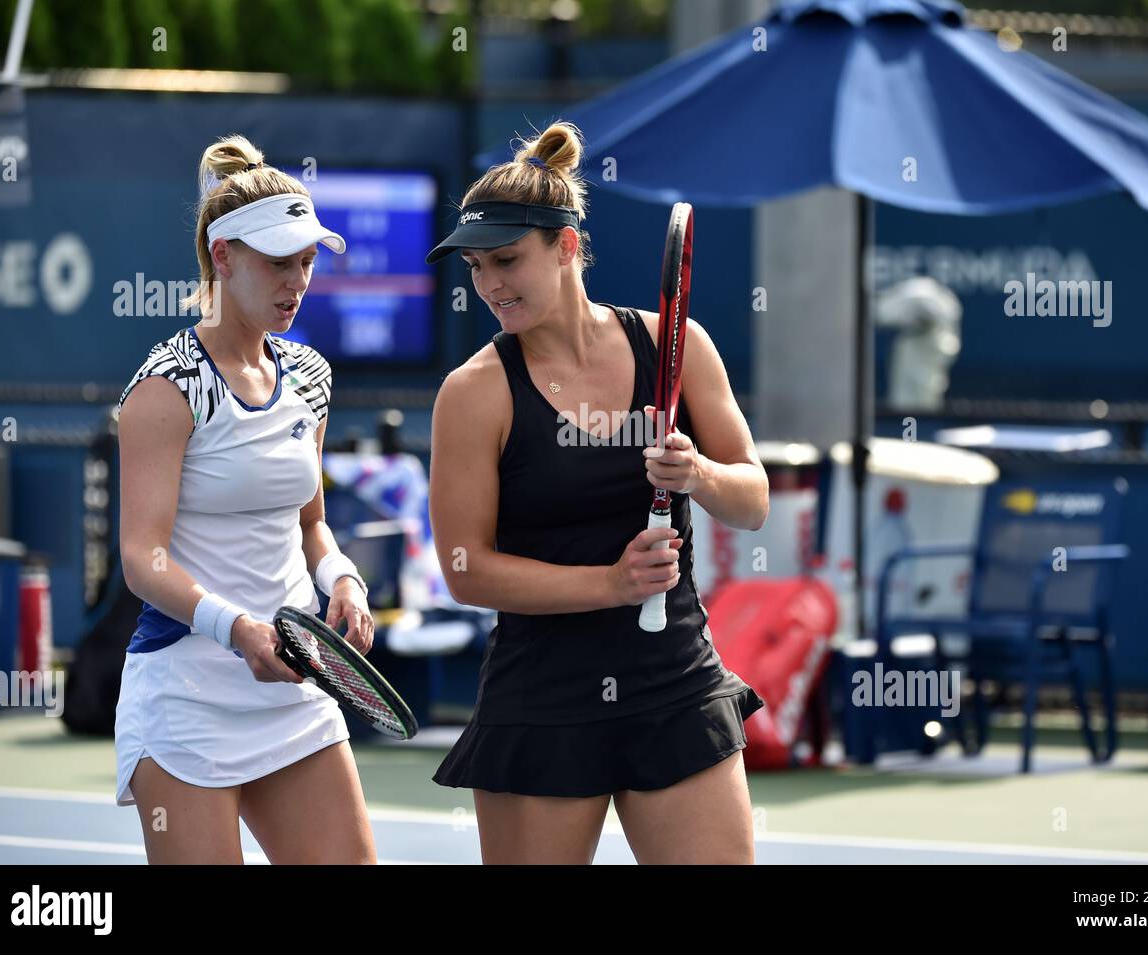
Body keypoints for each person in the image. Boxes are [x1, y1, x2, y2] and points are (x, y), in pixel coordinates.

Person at [426, 121, 771, 864]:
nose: (489, 284)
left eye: (508, 260)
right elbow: (464, 568)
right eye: (477, 267)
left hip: (674, 681)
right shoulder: (472, 394)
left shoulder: (678, 344)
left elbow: (753, 499)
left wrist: (699, 475)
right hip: (540, 699)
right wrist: (610, 583)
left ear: (568, 247)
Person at [115, 135, 377, 863]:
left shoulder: (312, 377)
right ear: (222, 255)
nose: (297, 281)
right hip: (187, 692)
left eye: (307, 262)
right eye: (277, 262)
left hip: (292, 685)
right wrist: (240, 631)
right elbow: (142, 558)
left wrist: (343, 580)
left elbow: (311, 523)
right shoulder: (166, 387)